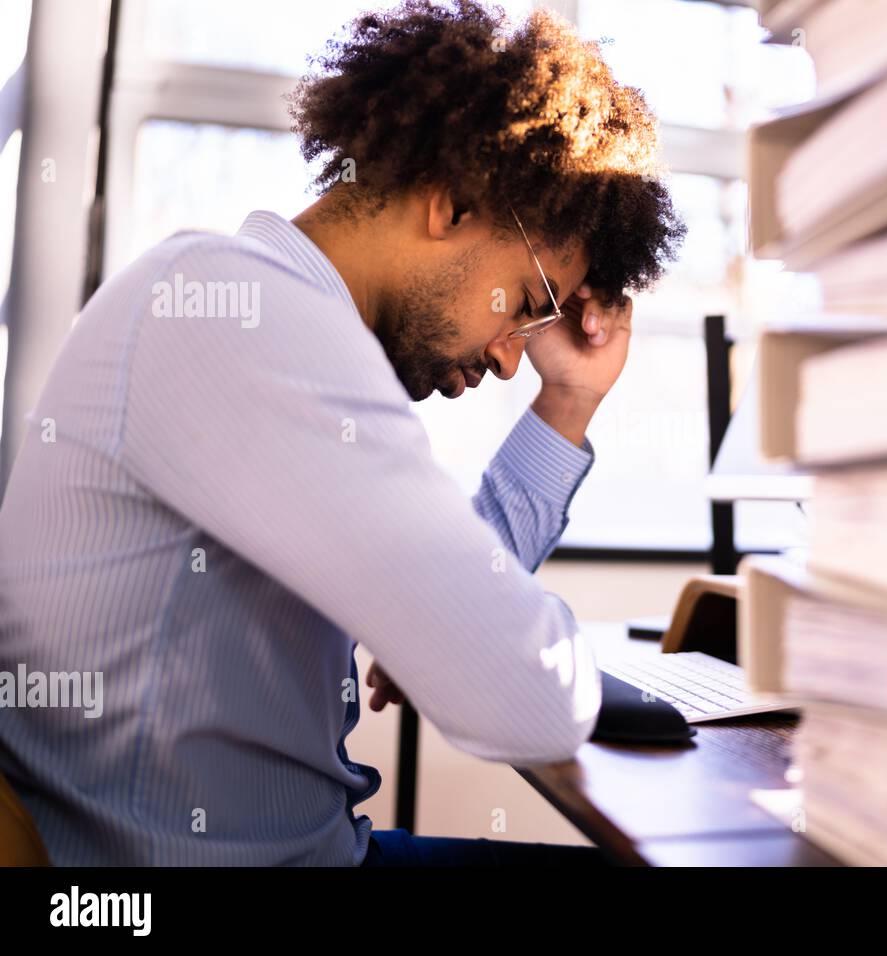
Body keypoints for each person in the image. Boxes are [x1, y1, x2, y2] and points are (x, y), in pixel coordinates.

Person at [0, 0, 684, 866]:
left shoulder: (273, 327)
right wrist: (484, 636)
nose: (515, 359)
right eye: (530, 300)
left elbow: (456, 607)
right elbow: (517, 690)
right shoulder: (240, 316)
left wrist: (568, 402)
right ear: (454, 203)